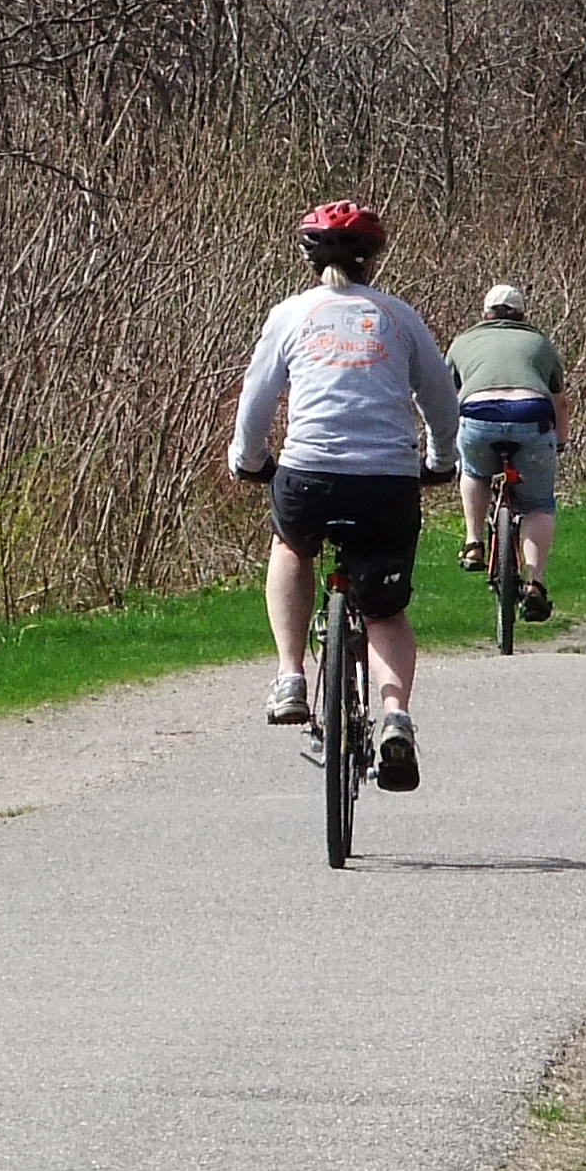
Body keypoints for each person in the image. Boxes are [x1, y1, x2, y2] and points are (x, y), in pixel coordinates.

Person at [231, 200, 464, 788]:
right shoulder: (399, 317)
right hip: (387, 480)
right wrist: (439, 462)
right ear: (372, 260)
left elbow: (257, 397)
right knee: (385, 609)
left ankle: (289, 676)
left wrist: (250, 459)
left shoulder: (290, 315)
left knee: (291, 547)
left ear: (309, 257)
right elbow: (440, 399)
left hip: (310, 473)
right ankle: (395, 717)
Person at [448, 284, 568, 624]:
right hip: (531, 416)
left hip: (478, 416)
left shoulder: (464, 341)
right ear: (522, 314)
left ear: (485, 314)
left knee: (473, 472)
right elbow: (560, 400)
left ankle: (473, 542)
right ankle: (535, 583)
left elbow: (446, 394)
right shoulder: (539, 343)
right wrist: (559, 441)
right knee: (537, 504)